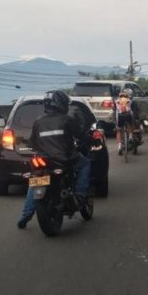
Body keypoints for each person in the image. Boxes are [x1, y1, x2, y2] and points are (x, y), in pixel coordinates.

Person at [17, 90, 91, 229]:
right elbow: (81, 136)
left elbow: (32, 143)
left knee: (36, 181)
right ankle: (81, 194)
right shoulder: (67, 120)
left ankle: (25, 214)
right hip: (66, 159)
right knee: (85, 164)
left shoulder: (38, 122)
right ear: (61, 104)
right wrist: (89, 140)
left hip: (44, 160)